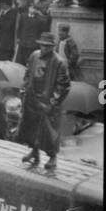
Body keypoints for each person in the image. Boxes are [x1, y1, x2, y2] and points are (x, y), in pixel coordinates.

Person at [20, 32, 71, 172]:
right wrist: (24, 89)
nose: (44, 48)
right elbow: (28, 73)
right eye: (42, 45)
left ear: (52, 46)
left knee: (49, 132)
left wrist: (52, 103)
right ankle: (34, 152)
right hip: (32, 99)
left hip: (48, 102)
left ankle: (52, 157)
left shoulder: (59, 62)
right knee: (31, 128)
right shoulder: (34, 55)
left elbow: (64, 86)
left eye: (47, 46)